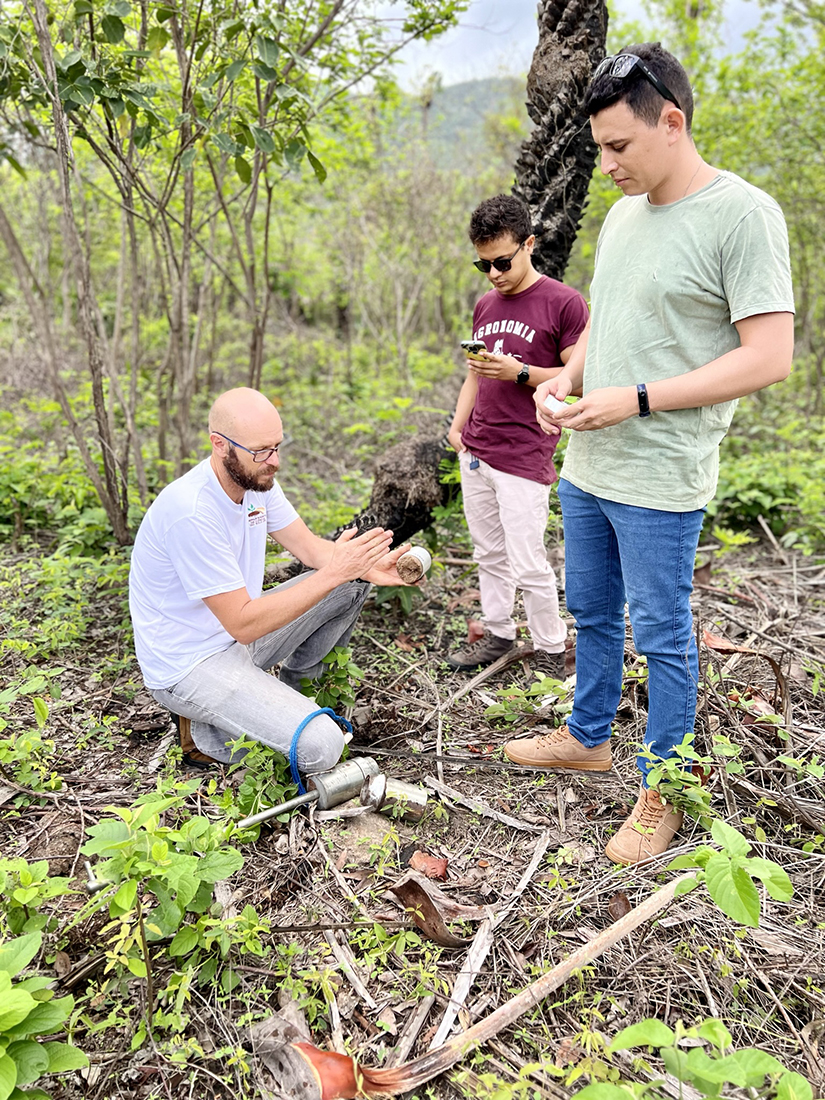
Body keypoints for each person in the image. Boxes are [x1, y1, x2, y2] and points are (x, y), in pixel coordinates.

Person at [504, 44, 795, 864]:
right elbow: (608, 320)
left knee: (662, 633)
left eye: (618, 147)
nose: (605, 166)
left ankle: (664, 786)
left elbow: (768, 356)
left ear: (672, 122)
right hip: (590, 463)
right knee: (592, 611)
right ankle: (587, 735)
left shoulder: (743, 216)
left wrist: (632, 400)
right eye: (597, 148)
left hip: (660, 471)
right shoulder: (623, 215)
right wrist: (561, 378)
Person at [129, 387, 413, 773]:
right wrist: (334, 572)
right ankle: (204, 735)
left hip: (236, 639)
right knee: (323, 747)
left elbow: (312, 550)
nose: (275, 461)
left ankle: (300, 697)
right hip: (192, 665)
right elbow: (244, 624)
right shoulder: (191, 512)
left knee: (351, 580)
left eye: (278, 446)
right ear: (219, 445)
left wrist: (367, 565)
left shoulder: (256, 482)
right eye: (262, 451)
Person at [446, 194, 590, 678]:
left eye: (503, 261)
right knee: (488, 552)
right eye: (483, 264)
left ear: (529, 245)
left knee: (527, 558)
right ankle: (499, 633)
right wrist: (458, 424)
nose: (493, 274)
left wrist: (521, 373)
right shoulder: (485, 304)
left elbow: (580, 376)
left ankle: (552, 649)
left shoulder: (564, 303)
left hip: (526, 451)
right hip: (478, 448)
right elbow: (475, 373)